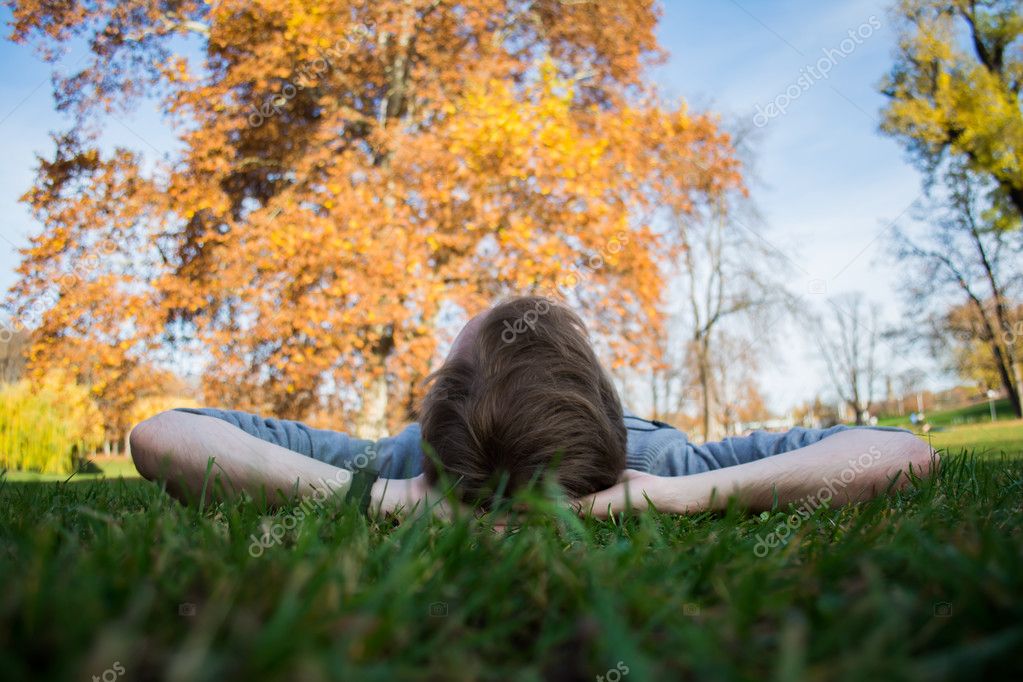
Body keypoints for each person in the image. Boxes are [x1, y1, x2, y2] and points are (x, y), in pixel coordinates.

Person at [129, 296, 937, 520]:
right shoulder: (656, 466)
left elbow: (162, 434)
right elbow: (901, 450)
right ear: (603, 393)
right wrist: (675, 496)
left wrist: (382, 500)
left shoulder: (407, 466)